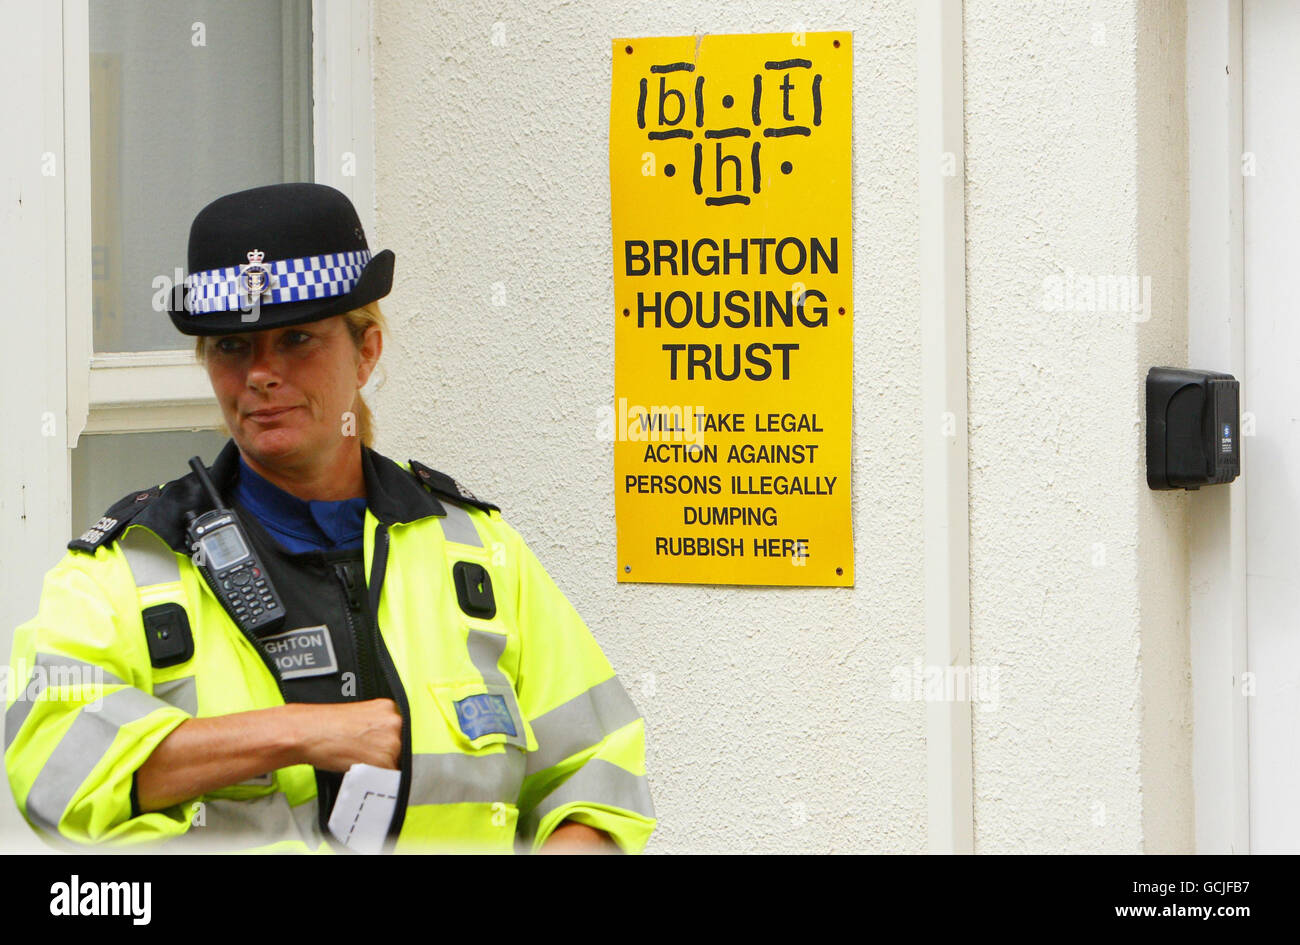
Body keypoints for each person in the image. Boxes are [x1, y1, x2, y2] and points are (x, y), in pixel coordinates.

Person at [5, 183, 655, 853]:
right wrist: (299, 732)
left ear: (367, 349)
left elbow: (597, 773)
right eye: (231, 347)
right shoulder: (131, 567)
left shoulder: (478, 554)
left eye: (295, 339)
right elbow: (49, 766)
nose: (260, 373)